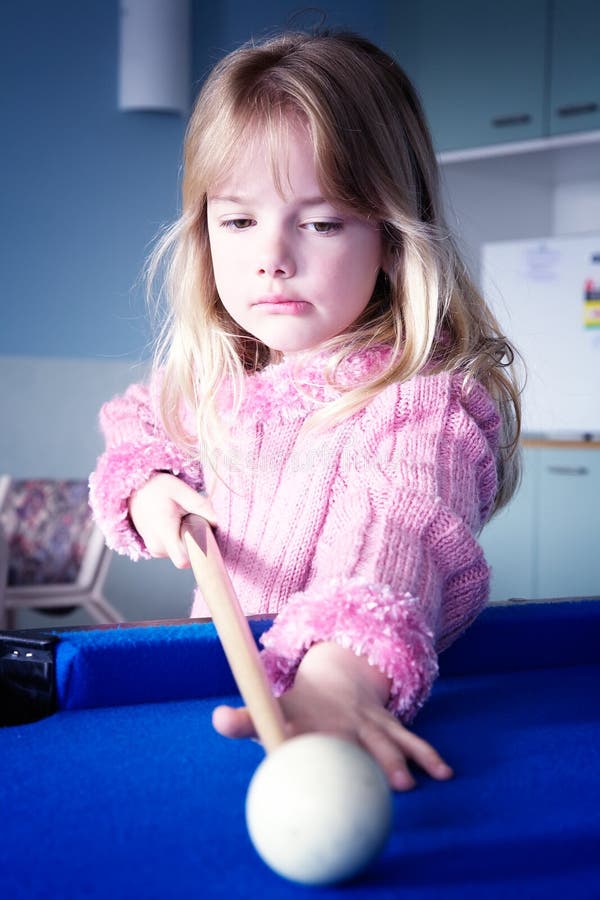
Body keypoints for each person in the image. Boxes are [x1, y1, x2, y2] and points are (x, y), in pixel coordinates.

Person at [89, 30, 521, 791]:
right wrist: (148, 482)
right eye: (239, 221)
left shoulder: (423, 402)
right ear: (204, 232)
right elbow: (139, 423)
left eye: (320, 222)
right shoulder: (226, 375)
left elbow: (398, 530)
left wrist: (339, 680)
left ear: (392, 238)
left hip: (340, 709)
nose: (272, 258)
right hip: (224, 705)